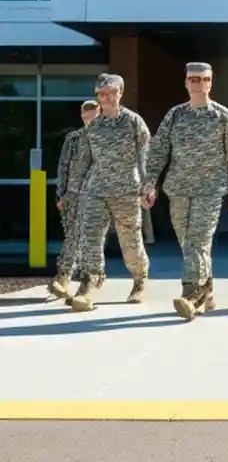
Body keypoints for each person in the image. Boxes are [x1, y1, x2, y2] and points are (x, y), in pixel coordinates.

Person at [143, 62, 228, 321]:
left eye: (203, 79)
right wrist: (150, 182)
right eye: (193, 79)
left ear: (210, 82)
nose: (198, 84)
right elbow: (159, 151)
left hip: (210, 189)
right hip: (178, 188)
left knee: (197, 241)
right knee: (187, 243)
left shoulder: (223, 117)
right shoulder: (175, 115)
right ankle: (208, 289)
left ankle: (192, 294)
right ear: (186, 83)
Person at [66, 73, 151, 312]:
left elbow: (146, 157)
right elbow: (83, 161)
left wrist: (148, 185)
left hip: (126, 190)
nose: (104, 98)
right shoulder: (93, 126)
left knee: (130, 238)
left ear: (119, 93)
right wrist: (72, 192)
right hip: (96, 189)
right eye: (100, 94)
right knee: (90, 235)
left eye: (108, 93)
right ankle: (90, 283)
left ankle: (139, 280)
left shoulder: (134, 122)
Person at [46, 99, 100, 302]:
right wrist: (61, 194)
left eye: (93, 113)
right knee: (73, 237)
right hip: (73, 196)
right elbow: (63, 167)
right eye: (86, 114)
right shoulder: (73, 139)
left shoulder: (105, 138)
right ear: (81, 115)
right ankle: (67, 279)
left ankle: (72, 278)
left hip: (96, 195)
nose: (89, 118)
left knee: (86, 238)